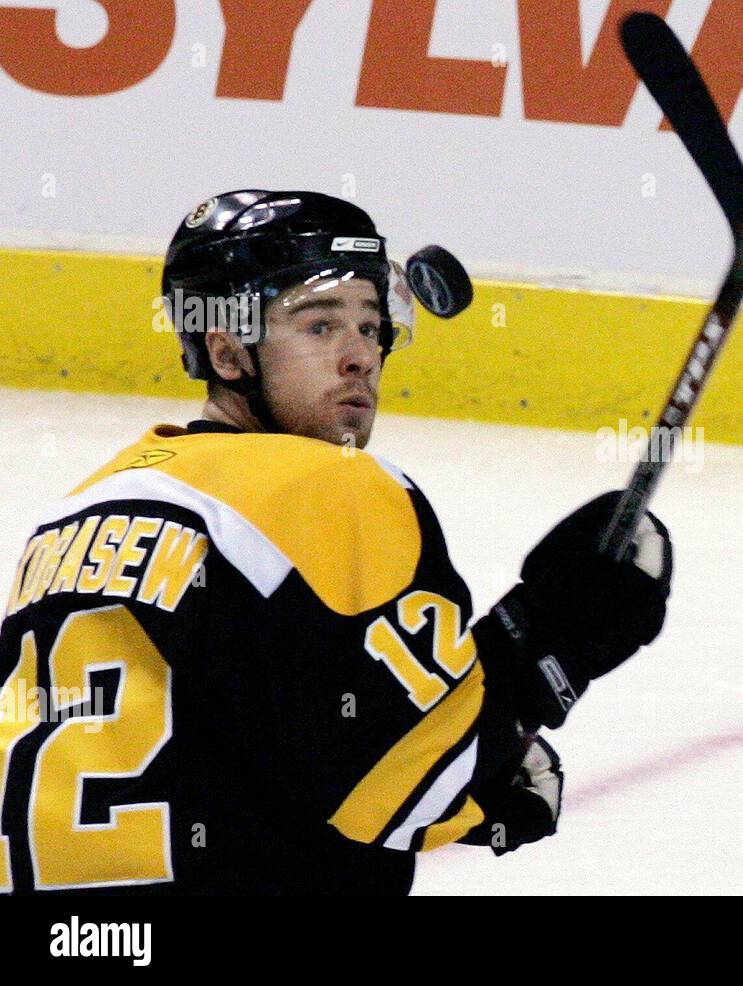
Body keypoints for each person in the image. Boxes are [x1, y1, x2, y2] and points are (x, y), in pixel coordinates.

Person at [0, 189, 672, 894]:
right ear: (227, 351)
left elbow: (262, 741)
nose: (360, 357)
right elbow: (417, 780)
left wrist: (480, 779)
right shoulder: (331, 486)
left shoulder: (76, 514)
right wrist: (549, 641)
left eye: (370, 326)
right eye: (319, 327)